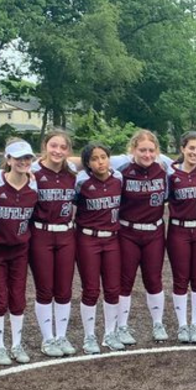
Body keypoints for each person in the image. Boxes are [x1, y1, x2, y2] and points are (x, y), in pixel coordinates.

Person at [107, 130, 176, 345]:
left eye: (151, 150)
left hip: (154, 231)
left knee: (153, 279)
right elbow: (90, 161)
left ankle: (157, 323)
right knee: (124, 281)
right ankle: (122, 326)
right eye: (142, 150)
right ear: (133, 150)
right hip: (128, 231)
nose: (147, 154)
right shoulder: (122, 169)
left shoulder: (163, 169)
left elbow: (191, 165)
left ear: (157, 151)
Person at [0, 139, 38, 365]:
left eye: (27, 158)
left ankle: (16, 344)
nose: (23, 162)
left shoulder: (34, 186)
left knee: (18, 298)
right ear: (8, 159)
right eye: (18, 158)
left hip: (20, 250)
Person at [29, 129, 79, 357]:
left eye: (63, 147)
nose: (58, 151)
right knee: (45, 288)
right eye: (53, 145)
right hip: (41, 233)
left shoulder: (72, 173)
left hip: (67, 234)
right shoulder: (33, 172)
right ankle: (48, 338)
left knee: (64, 288)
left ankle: (61, 336)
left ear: (68, 150)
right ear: (45, 146)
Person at [73, 141, 125, 352]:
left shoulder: (118, 178)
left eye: (103, 157)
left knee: (113, 289)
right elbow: (72, 208)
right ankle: (89, 336)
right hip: (88, 238)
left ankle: (110, 334)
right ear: (87, 163)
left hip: (112, 238)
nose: (100, 162)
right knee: (91, 289)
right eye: (94, 159)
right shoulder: (81, 182)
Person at [165, 132, 196, 343]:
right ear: (183, 149)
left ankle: (195, 324)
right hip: (178, 230)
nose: (195, 152)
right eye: (191, 148)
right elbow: (165, 198)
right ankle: (182, 325)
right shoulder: (171, 174)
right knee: (180, 278)